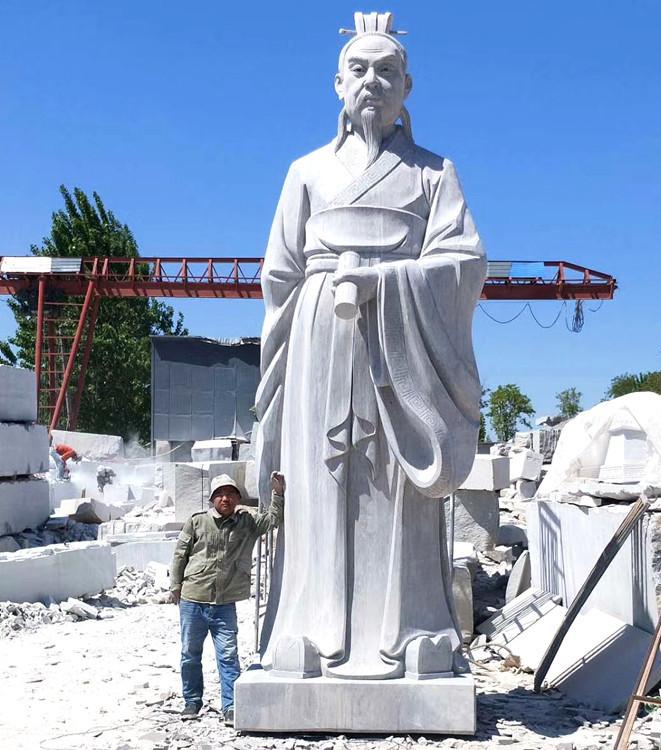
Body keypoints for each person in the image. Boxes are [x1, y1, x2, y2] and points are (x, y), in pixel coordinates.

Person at [254, 12, 486, 680]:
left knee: (395, 482)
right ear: (337, 82)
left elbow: (464, 262)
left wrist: (386, 281)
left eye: (387, 70)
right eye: (358, 69)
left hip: (400, 343)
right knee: (320, 478)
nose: (372, 82)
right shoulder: (305, 171)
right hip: (321, 335)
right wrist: (292, 345)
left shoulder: (434, 173)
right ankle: (309, 627)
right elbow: (279, 273)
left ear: (407, 86)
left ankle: (408, 630)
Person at [169, 470, 285, 726]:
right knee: (190, 653)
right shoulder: (197, 522)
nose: (226, 499)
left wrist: (278, 493)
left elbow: (273, 520)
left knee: (228, 655)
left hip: (224, 604)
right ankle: (192, 701)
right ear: (212, 499)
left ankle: (231, 706)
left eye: (231, 494)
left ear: (237, 498)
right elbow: (180, 554)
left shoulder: (247, 522)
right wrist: (175, 586)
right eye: (220, 494)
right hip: (193, 599)